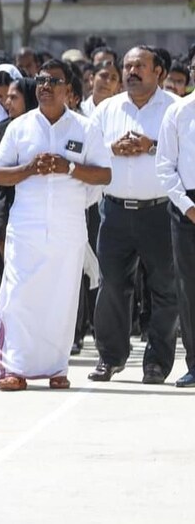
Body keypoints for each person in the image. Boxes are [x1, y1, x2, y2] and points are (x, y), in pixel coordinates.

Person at [0, 59, 112, 390]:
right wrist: (29, 168)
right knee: (21, 299)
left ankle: (57, 368)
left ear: (69, 91)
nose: (44, 86)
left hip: (68, 228)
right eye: (41, 80)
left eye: (53, 81)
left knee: (62, 299)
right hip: (25, 228)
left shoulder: (85, 129)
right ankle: (13, 368)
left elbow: (104, 174)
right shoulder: (20, 127)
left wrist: (68, 167)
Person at [88, 46, 182, 384]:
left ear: (158, 71)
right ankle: (110, 357)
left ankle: (157, 362)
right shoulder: (107, 109)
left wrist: (151, 146)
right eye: (127, 66)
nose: (131, 72)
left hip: (160, 211)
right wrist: (112, 149)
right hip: (114, 211)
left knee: (164, 289)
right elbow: (89, 152)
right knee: (112, 285)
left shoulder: (175, 108)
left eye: (140, 66)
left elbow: (187, 153)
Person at [157, 70, 195, 387]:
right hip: (188, 208)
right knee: (190, 289)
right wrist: (188, 207)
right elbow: (165, 166)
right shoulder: (179, 111)